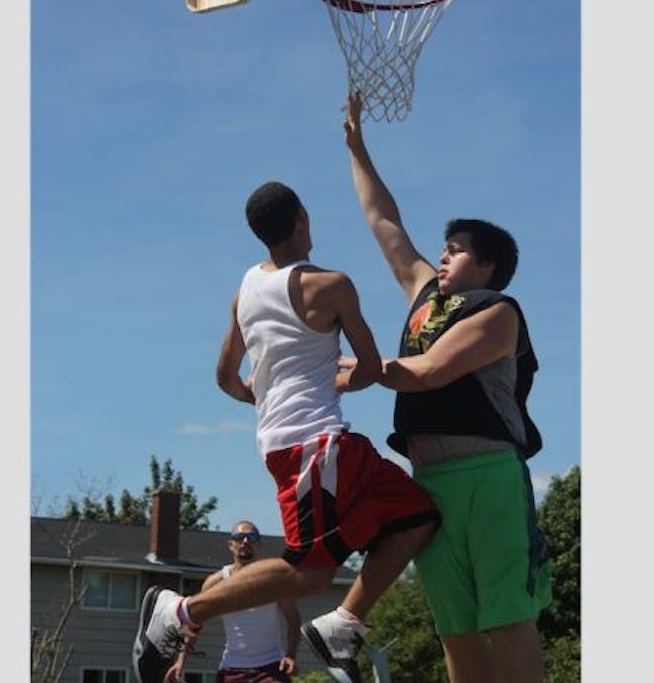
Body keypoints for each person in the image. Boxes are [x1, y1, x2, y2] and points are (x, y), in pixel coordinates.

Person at [133, 181, 440, 683]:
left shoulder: (246, 289)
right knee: (308, 571)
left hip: (303, 443)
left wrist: (270, 397)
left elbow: (227, 378)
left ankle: (344, 622)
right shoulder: (331, 285)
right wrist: (333, 380)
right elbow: (366, 369)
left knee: (417, 516)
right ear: (302, 217)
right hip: (314, 445)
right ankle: (182, 611)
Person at [338, 92, 553, 683]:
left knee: (507, 615)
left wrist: (354, 366)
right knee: (454, 624)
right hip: (430, 480)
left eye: (457, 250)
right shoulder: (424, 293)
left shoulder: (498, 312)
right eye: (445, 246)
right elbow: (383, 222)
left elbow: (428, 371)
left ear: (486, 268)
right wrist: (357, 147)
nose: (442, 254)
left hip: (487, 473)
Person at [165, 521, 300, 683]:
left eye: (251, 537)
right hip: (232, 668)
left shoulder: (274, 580)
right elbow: (194, 623)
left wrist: (291, 655)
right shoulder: (216, 582)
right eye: (239, 537)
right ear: (230, 545)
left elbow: (293, 620)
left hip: (271, 667)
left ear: (259, 544)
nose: (245, 542)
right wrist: (180, 662)